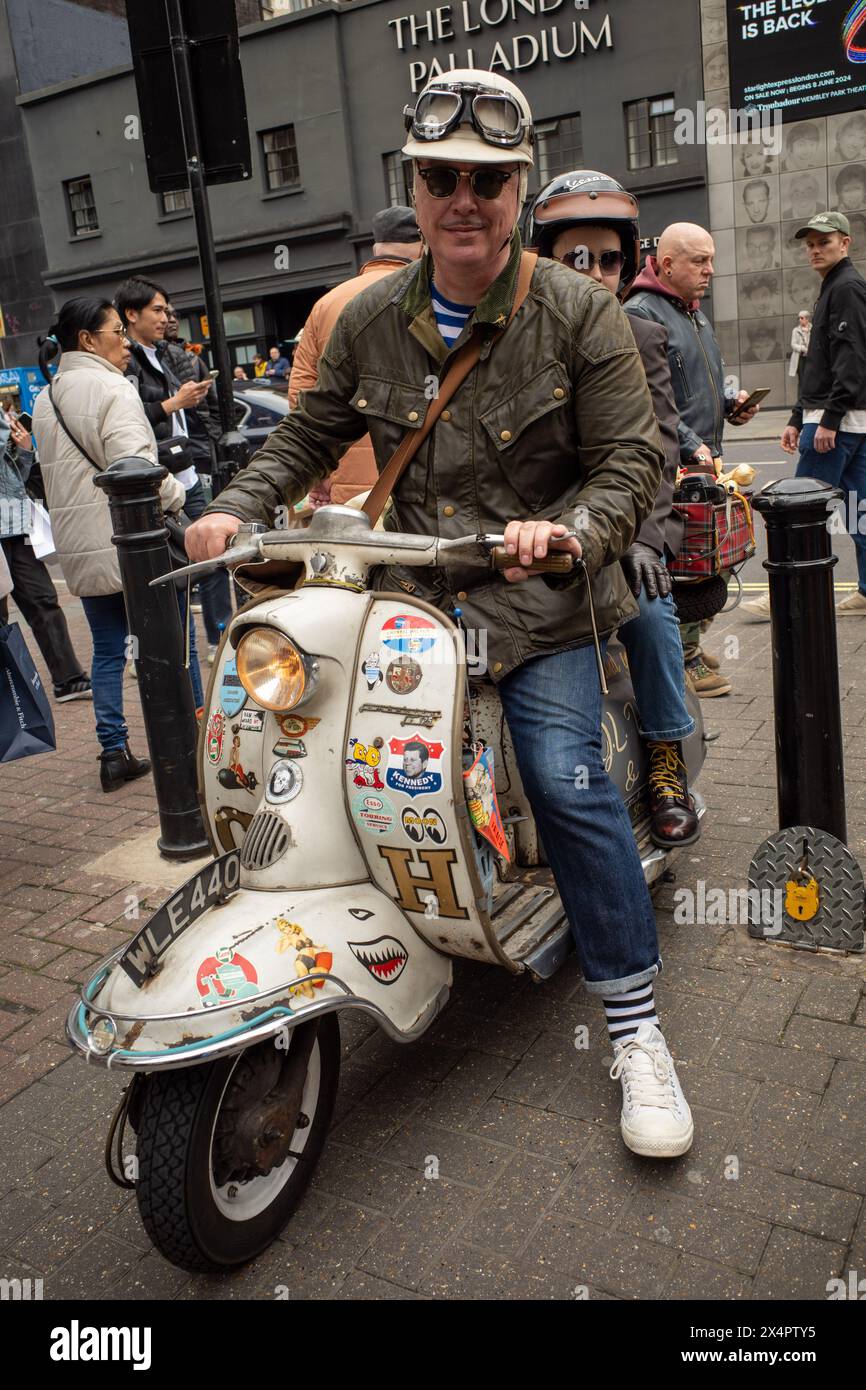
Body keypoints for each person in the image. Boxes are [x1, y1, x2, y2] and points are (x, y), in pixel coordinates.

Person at [186, 68, 696, 1160]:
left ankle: (633, 1024)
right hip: (410, 604)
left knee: (564, 782)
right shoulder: (369, 317)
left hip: (541, 607)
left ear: (518, 192)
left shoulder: (581, 313)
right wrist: (233, 509)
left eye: (485, 179)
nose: (462, 198)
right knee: (310, 746)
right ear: (413, 192)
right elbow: (302, 438)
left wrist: (565, 533)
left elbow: (628, 462)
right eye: (440, 178)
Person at [528, 169, 698, 849]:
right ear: (544, 261)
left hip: (621, 530)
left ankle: (664, 757)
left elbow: (657, 451)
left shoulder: (642, 336)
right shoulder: (513, 339)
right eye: (576, 257)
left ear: (627, 267)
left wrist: (644, 540)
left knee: (653, 615)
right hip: (532, 535)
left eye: (608, 259)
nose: (594, 272)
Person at [31, 299, 186, 789]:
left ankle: (113, 750)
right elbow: (136, 471)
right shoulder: (113, 389)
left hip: (79, 544)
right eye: (116, 331)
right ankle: (189, 738)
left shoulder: (46, 397)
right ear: (87, 339)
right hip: (130, 539)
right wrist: (177, 495)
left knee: (106, 651)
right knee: (171, 641)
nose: (125, 340)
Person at [624, 222, 761, 696]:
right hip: (676, 467)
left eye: (711, 259)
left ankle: (690, 646)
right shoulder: (641, 313)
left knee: (711, 561)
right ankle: (682, 661)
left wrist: (730, 406)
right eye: (699, 261)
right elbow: (646, 399)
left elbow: (696, 383)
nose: (710, 270)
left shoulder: (693, 312)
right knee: (687, 567)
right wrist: (688, 442)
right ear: (665, 264)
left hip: (705, 462)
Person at [746, 212, 866, 620]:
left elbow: (852, 360)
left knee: (798, 510)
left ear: (845, 243)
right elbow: (821, 361)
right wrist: (798, 415)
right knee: (858, 510)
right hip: (847, 420)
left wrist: (826, 419)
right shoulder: (834, 287)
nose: (815, 249)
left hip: (836, 422)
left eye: (824, 242)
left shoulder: (846, 287)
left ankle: (786, 595)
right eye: (810, 243)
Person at [114, 276, 216, 685]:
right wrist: (175, 402)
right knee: (172, 577)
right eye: (156, 310)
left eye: (166, 310)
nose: (165, 317)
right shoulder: (127, 362)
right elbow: (133, 418)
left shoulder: (165, 354)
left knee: (207, 558)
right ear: (130, 315)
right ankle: (170, 665)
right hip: (159, 481)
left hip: (187, 470)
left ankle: (216, 636)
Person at [289, 205, 424, 507]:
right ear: (422, 245)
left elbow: (302, 395)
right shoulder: (435, 293)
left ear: (376, 248)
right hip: (422, 476)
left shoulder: (327, 303)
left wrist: (319, 472)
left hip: (348, 474)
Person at [0, 405, 91, 703]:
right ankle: (11, 698)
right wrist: (22, 451)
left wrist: (23, 450)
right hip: (8, 525)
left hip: (15, 525)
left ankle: (69, 680)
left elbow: (14, 480)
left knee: (44, 601)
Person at [788, 310, 811, 382]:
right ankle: (801, 393)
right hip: (800, 358)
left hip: (811, 357)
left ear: (807, 319)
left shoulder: (813, 329)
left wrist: (807, 334)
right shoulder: (796, 330)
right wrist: (802, 348)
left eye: (802, 318)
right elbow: (793, 344)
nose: (800, 320)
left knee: (810, 379)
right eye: (799, 318)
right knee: (802, 380)